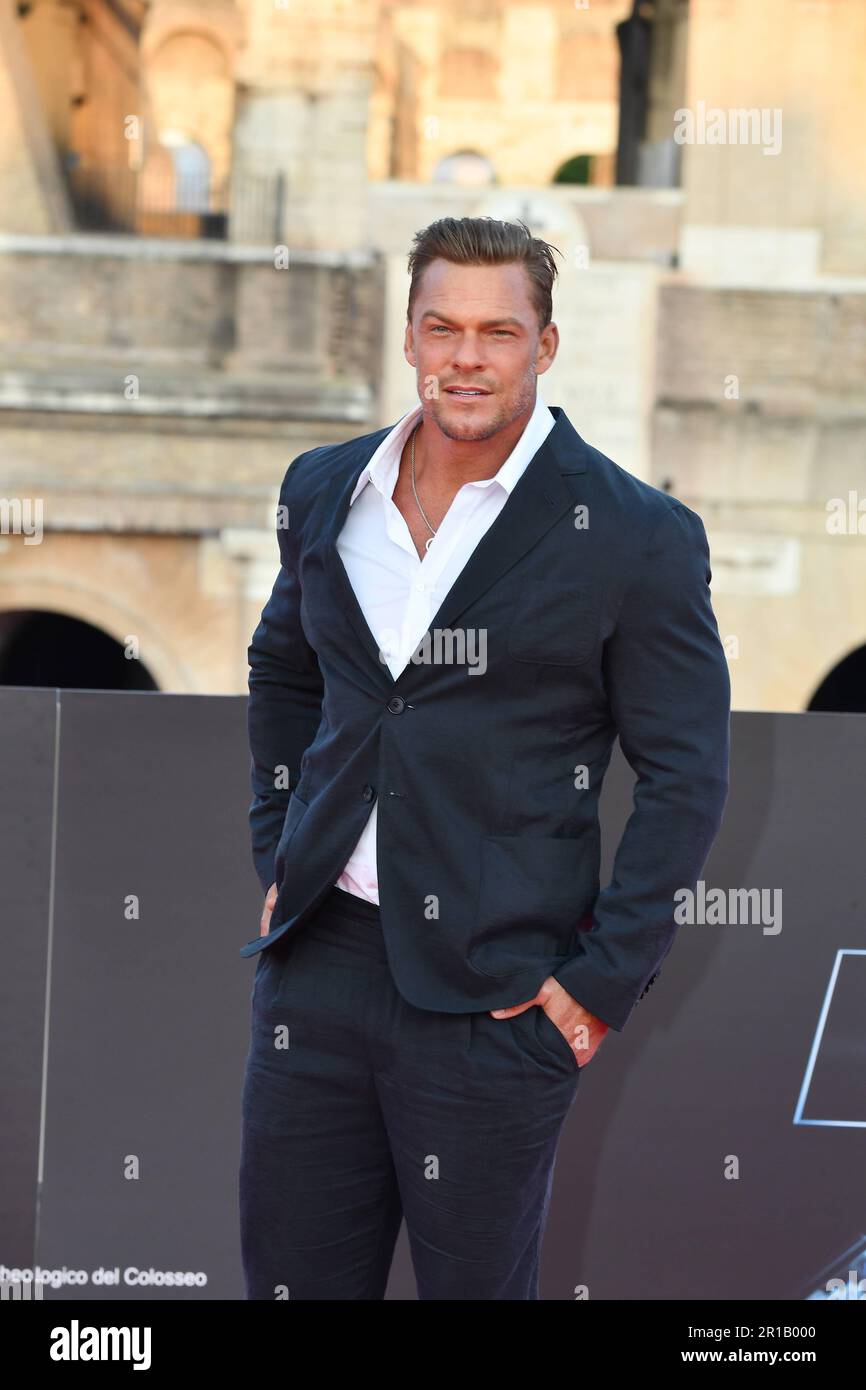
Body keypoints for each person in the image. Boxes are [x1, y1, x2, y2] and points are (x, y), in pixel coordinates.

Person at [238, 216, 731, 1300]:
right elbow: (282, 673)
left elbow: (686, 773)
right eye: (442, 327)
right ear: (408, 337)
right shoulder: (323, 490)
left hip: (495, 1000)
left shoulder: (636, 536)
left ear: (543, 346)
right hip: (315, 970)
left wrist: (595, 984)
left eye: (497, 332)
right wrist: (279, 846)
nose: (466, 356)